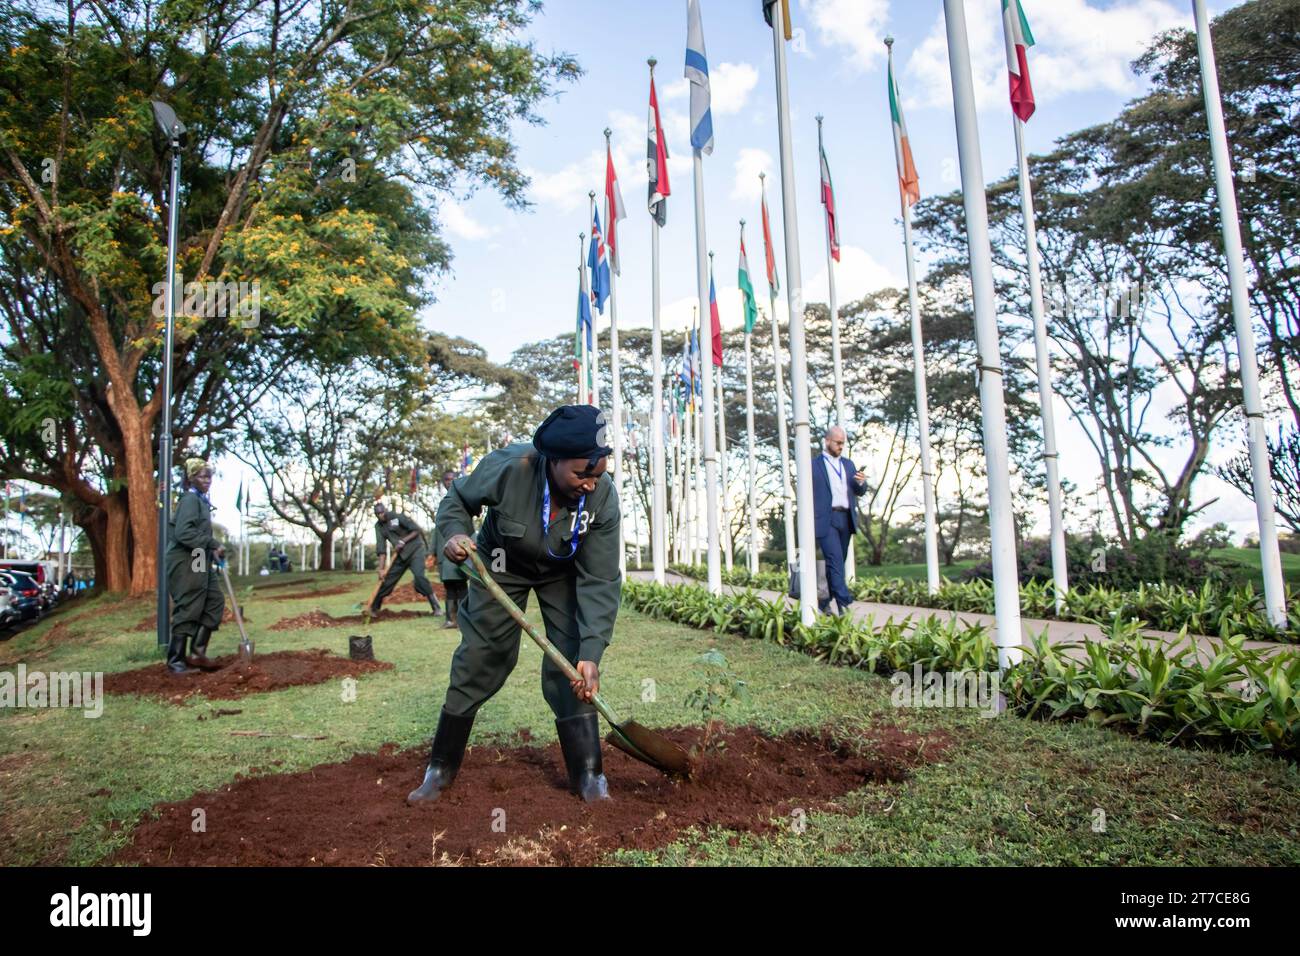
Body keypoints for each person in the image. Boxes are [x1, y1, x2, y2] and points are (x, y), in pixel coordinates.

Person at [408, 405, 621, 806]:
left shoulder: (602, 496)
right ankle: (440, 768)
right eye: (581, 474)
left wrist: (592, 653)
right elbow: (457, 501)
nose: (591, 484)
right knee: (483, 655)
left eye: (598, 474)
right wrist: (454, 535)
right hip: (500, 564)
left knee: (572, 659)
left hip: (562, 571)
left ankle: (589, 775)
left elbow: (601, 579)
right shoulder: (510, 466)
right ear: (553, 461)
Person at [166, 458, 227, 674]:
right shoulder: (190, 499)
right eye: (202, 476)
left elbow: (198, 534)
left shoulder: (202, 501)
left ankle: (197, 653)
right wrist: (212, 543)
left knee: (213, 600)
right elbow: (183, 533)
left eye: (209, 476)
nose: (207, 480)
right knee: (189, 604)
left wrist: (211, 550)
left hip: (200, 557)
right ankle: (176, 662)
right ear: (191, 478)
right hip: (184, 560)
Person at [811, 425, 867, 616]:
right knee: (835, 561)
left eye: (843, 443)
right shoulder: (813, 465)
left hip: (846, 519)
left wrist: (861, 482)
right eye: (838, 442)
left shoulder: (849, 464)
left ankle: (823, 602)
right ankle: (844, 604)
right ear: (827, 441)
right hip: (826, 520)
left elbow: (859, 491)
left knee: (835, 564)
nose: (841, 446)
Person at [370, 502, 441, 617]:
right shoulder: (378, 527)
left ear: (385, 510)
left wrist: (403, 541)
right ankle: (373, 608)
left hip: (415, 550)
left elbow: (417, 530)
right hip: (400, 556)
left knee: (419, 577)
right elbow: (381, 549)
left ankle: (436, 607)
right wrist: (381, 569)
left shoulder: (397, 517)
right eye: (377, 514)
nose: (380, 515)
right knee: (386, 580)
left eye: (382, 512)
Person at [433, 469, 467, 630]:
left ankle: (462, 619)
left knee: (461, 586)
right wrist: (431, 552)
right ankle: (450, 619)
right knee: (449, 587)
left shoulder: (464, 501)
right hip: (443, 553)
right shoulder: (443, 503)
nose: (449, 482)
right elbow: (437, 530)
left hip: (460, 550)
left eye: (452, 479)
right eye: (446, 479)